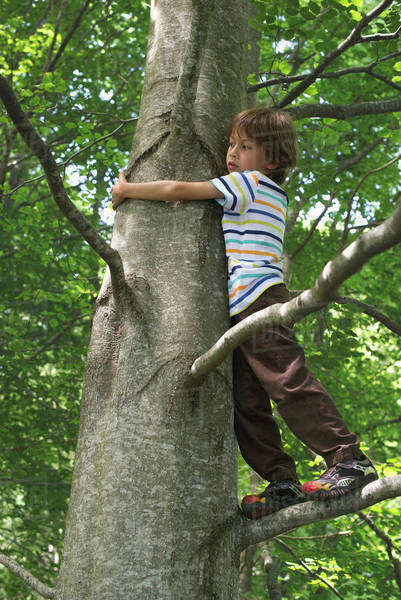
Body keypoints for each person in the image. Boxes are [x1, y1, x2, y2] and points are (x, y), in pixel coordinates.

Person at [111, 107, 378, 519]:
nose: (232, 152)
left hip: (260, 300)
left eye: (246, 146)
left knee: (287, 381)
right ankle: (281, 481)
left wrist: (129, 190)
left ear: (271, 160)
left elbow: (178, 190)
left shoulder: (250, 183)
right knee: (248, 400)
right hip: (245, 308)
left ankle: (348, 459)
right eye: (231, 144)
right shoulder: (263, 189)